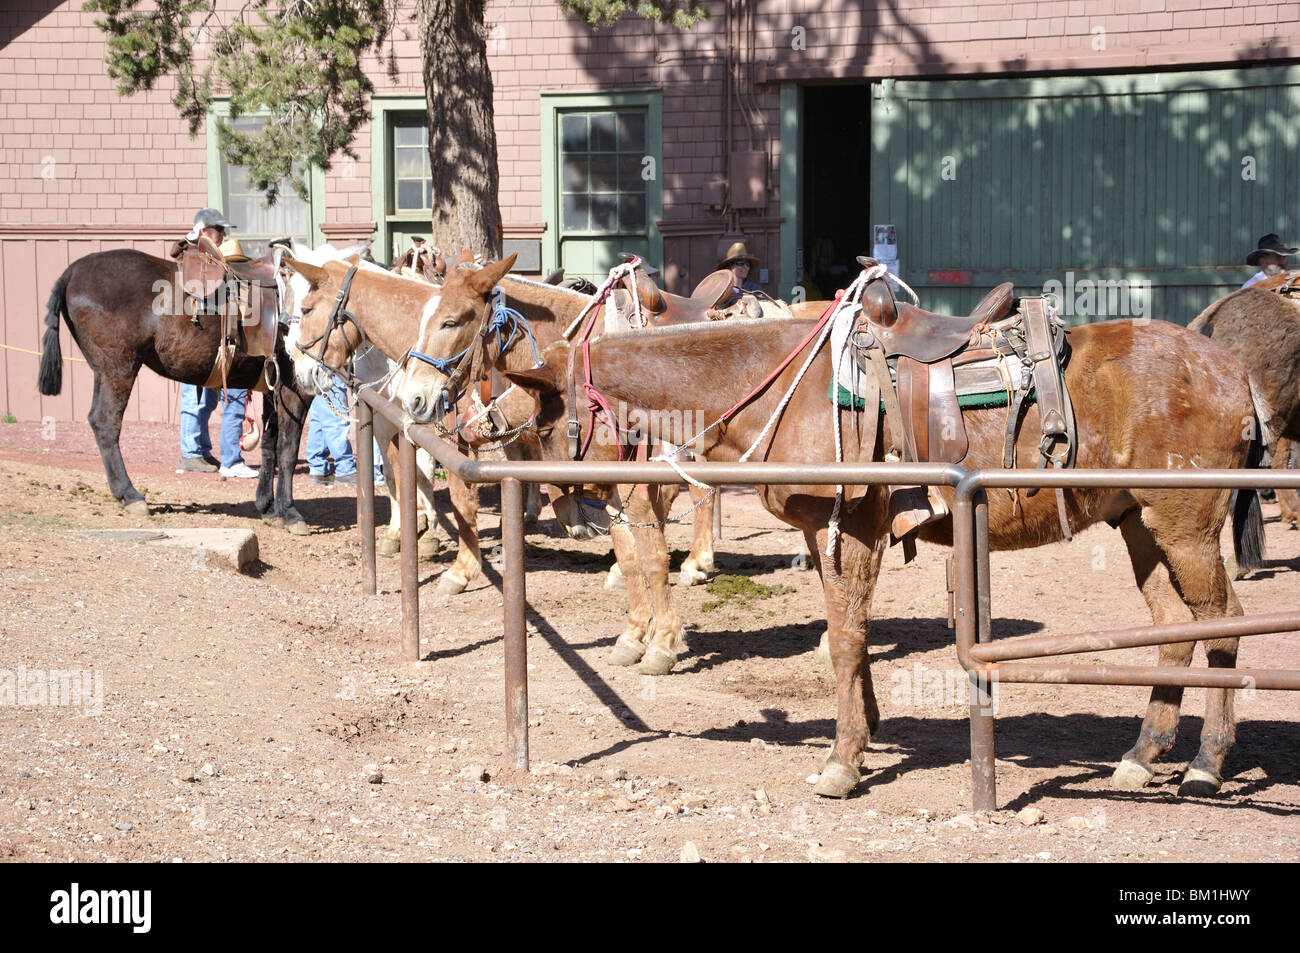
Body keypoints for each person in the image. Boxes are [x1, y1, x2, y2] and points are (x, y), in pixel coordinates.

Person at [176, 208, 258, 478]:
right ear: (203, 231)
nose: (223, 235)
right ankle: (190, 453)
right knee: (195, 399)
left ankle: (199, 450)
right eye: (218, 230)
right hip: (193, 338)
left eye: (223, 230)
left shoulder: (212, 257)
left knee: (207, 400)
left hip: (211, 340)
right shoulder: (193, 257)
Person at [306, 381, 359, 486]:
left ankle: (318, 469)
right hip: (330, 369)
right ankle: (345, 470)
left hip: (315, 370)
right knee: (335, 417)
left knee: (319, 412)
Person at [718, 241, 762, 305]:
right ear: (730, 266)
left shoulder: (755, 289)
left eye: (748, 264)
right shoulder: (722, 289)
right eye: (740, 263)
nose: (745, 267)